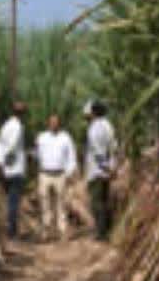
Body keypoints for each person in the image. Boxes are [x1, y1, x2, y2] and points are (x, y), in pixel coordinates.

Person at [34, 113, 77, 241]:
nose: (54, 124)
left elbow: (71, 156)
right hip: (44, 174)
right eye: (52, 122)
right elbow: (36, 155)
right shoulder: (41, 137)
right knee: (44, 203)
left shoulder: (66, 138)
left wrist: (69, 173)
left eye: (56, 122)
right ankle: (45, 231)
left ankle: (62, 231)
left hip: (60, 175)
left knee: (61, 204)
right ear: (48, 123)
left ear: (59, 123)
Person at [84, 100, 117, 242]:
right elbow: (114, 146)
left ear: (93, 112)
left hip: (97, 170)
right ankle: (106, 230)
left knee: (96, 203)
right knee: (104, 200)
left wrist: (106, 167)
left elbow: (98, 152)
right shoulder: (108, 125)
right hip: (106, 170)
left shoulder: (94, 128)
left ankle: (101, 233)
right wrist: (112, 167)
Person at [0, 101, 27, 239]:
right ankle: (12, 232)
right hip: (15, 169)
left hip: (6, 169)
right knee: (13, 201)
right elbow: (12, 146)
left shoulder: (5, 125)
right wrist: (6, 162)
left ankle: (10, 230)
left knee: (9, 201)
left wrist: (0, 162)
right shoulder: (18, 126)